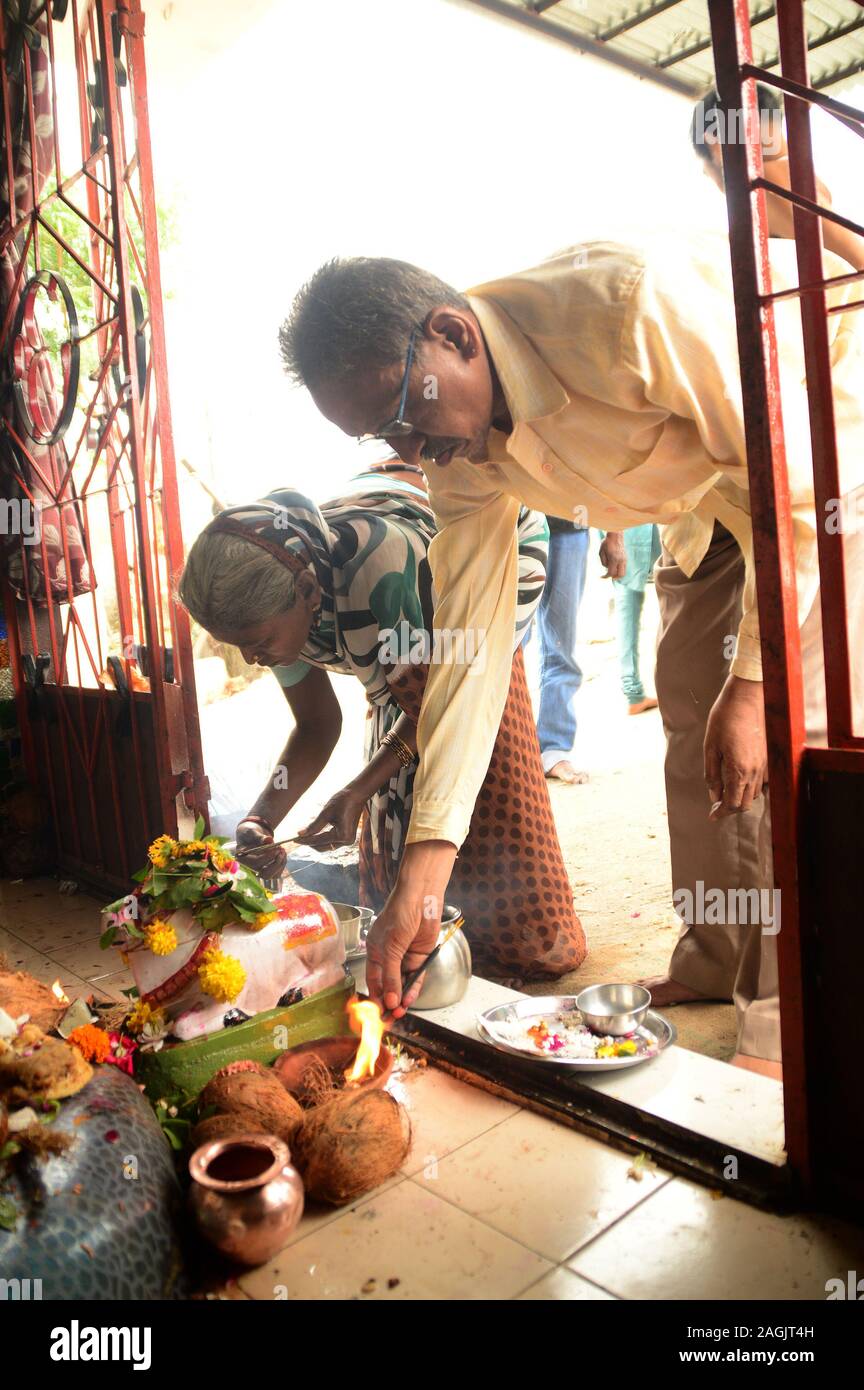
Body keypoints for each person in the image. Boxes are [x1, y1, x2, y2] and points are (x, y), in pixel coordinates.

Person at [278, 239, 864, 1073]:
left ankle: (774, 1024)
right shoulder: (459, 453)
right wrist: (426, 867)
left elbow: (790, 489)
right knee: (693, 726)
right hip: (703, 519)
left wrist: (754, 686)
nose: (412, 453)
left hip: (816, 492)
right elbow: (471, 651)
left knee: (770, 744)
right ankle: (713, 960)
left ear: (454, 335)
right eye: (383, 437)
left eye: (407, 418)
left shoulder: (625, 311)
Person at [178, 482, 586, 982]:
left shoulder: (380, 574)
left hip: (499, 553)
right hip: (392, 622)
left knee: (479, 761)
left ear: (308, 593)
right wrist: (259, 821)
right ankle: (413, 929)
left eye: (257, 643)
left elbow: (444, 705)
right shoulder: (277, 601)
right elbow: (317, 724)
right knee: (391, 787)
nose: (251, 659)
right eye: (237, 646)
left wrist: (357, 789)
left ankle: (503, 937)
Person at [692, 82, 864, 271]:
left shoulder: (768, 180)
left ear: (716, 147)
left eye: (706, 166)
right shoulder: (793, 171)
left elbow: (856, 260)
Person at [527, 520, 626, 783]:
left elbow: (606, 476)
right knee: (508, 646)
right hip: (514, 524)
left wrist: (615, 533)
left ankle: (554, 749)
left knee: (561, 645)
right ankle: (506, 749)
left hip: (570, 528)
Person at [612, 524, 661, 716]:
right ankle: (634, 691)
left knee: (628, 603)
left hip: (628, 523)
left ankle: (633, 692)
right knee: (630, 597)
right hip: (634, 523)